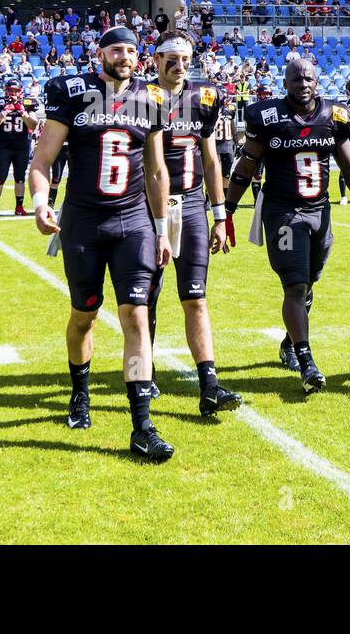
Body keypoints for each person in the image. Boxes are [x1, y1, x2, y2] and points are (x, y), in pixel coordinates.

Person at [28, 27, 175, 461]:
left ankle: (142, 427)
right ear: (100, 53)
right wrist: (41, 203)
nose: (125, 56)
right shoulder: (71, 91)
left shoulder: (150, 99)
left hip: (132, 221)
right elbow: (42, 160)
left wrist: (162, 228)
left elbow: (155, 170)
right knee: (84, 318)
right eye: (117, 49)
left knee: (136, 317)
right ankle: (80, 393)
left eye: (131, 49)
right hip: (84, 223)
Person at [223, 59, 350, 395]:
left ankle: (289, 341)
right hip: (282, 210)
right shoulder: (267, 117)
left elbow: (348, 163)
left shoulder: (334, 117)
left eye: (308, 78)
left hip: (319, 210)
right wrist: (229, 210)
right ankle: (306, 360)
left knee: (309, 285)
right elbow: (246, 165)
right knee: (294, 285)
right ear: (285, 82)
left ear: (317, 81)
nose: (302, 84)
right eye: (296, 78)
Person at [143, 32, 241, 414]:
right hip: (148, 207)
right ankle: (144, 373)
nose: (180, 65)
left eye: (185, 58)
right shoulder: (140, 97)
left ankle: (209, 384)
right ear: (156, 60)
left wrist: (220, 215)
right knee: (145, 297)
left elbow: (212, 159)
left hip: (192, 205)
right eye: (171, 58)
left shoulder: (206, 97)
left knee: (196, 297)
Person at [0, 80, 39, 216]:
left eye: (16, 90)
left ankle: (19, 207)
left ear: (21, 91)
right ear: (6, 90)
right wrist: (4, 112)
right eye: (11, 90)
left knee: (20, 178)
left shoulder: (28, 103)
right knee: (0, 177)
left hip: (21, 147)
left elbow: (33, 125)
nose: (13, 93)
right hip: (3, 146)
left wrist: (22, 112)